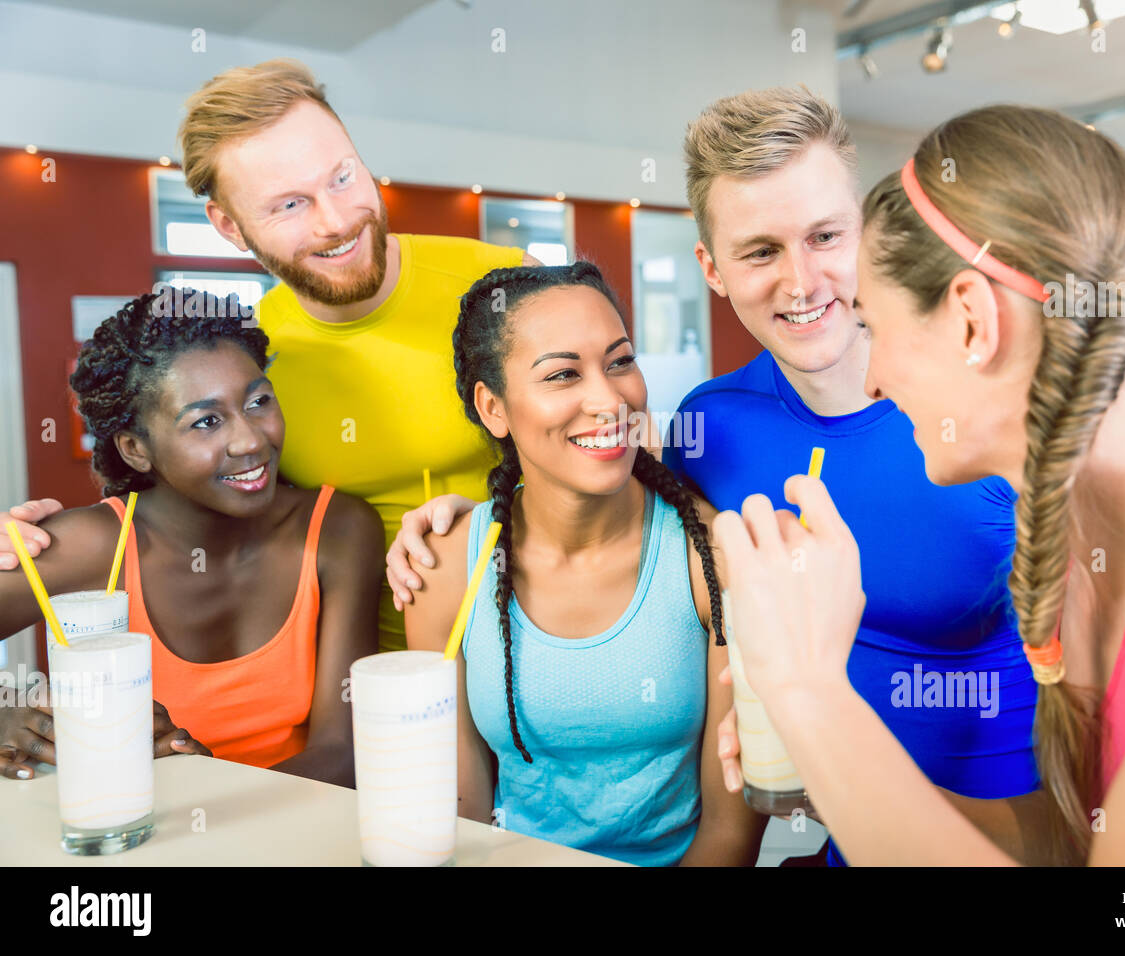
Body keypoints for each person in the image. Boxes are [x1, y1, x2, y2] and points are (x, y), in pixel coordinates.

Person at [387, 87, 1048, 865]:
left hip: (1000, 833)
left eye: (826, 237)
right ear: (712, 268)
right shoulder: (710, 428)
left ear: (866, 236)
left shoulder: (995, 413)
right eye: (761, 251)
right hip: (836, 840)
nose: (800, 283)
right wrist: (465, 521)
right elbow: (597, 483)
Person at [712, 104, 1125, 865]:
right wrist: (821, 769)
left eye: (877, 328)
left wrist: (807, 690)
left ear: (971, 322)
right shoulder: (1076, 550)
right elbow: (1070, 844)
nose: (878, 380)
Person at [0, 58, 540, 654]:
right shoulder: (249, 364)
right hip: (365, 693)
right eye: (289, 205)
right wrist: (35, 539)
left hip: (542, 652)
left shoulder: (509, 288)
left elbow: (623, 463)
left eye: (342, 177)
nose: (336, 222)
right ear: (229, 227)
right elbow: (187, 508)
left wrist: (500, 517)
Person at [404, 262, 766, 866]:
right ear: (493, 408)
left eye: (620, 361)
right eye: (563, 374)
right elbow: (460, 814)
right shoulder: (444, 567)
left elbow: (730, 836)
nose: (609, 399)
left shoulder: (713, 557)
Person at [0, 291, 384, 787]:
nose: (250, 440)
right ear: (137, 449)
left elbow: (343, 752)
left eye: (258, 402)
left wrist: (210, 792)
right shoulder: (94, 547)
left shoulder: (338, 529)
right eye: (206, 421)